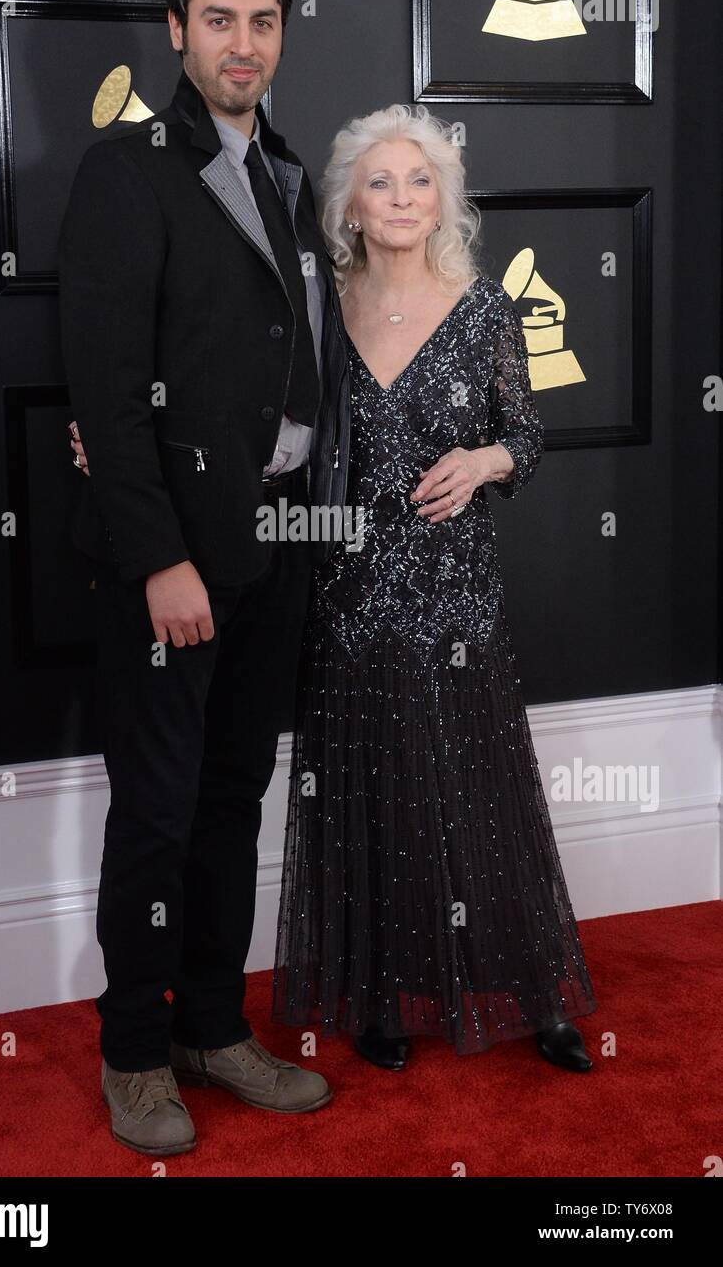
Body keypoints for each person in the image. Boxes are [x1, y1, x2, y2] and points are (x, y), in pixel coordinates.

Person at [59, 0, 351, 1157]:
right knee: (162, 808)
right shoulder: (126, 175)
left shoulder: (293, 178)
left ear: (285, 33)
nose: (243, 43)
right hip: (177, 558)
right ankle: (134, 1050)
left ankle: (213, 1025)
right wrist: (158, 556)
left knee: (236, 795)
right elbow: (108, 392)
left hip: (281, 542)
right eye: (219, 19)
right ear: (177, 30)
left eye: (264, 21)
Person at [269, 104, 598, 1073]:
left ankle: (539, 995)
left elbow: (527, 435)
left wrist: (487, 458)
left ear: (442, 199)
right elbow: (269, 422)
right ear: (350, 205)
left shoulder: (487, 305)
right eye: (382, 182)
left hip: (456, 592)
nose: (402, 198)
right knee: (370, 793)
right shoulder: (321, 302)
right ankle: (377, 993)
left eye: (420, 181)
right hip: (351, 591)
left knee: (482, 799)